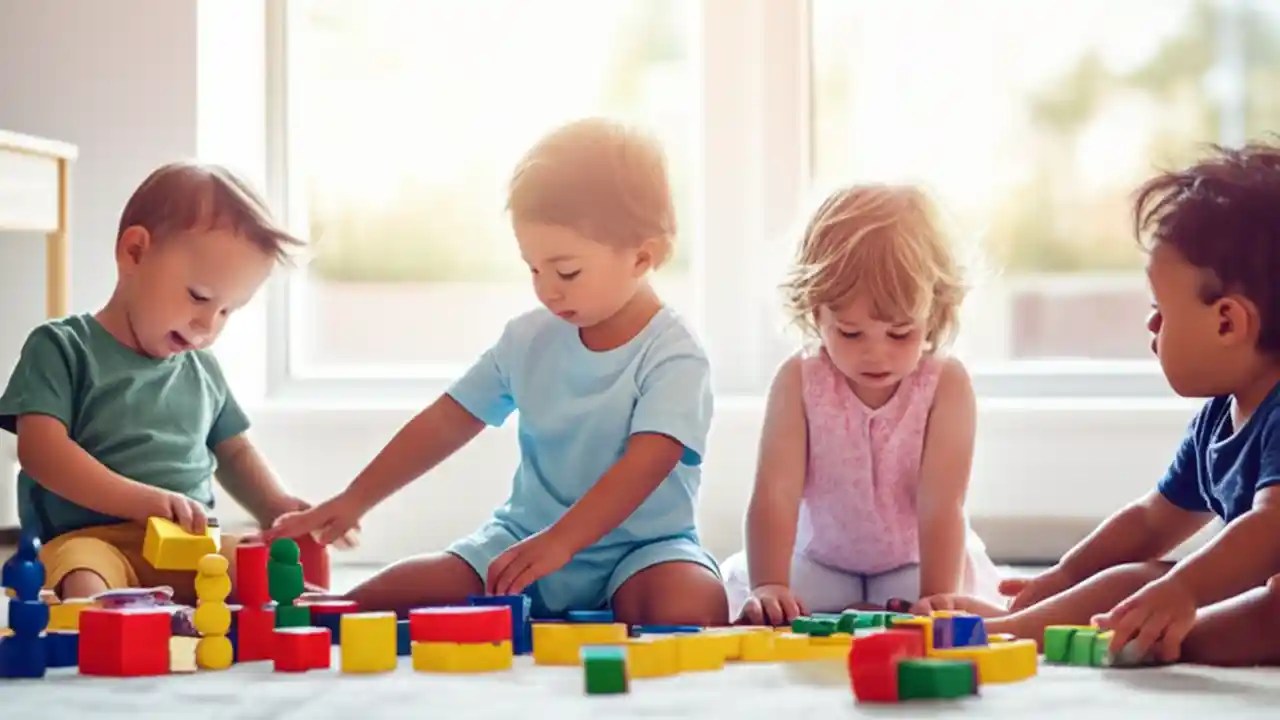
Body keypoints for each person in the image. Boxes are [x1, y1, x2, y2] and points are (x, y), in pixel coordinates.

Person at [264, 118, 727, 625]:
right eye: (533, 268)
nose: (547, 289)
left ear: (643, 256)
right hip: (525, 542)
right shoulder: (529, 339)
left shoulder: (674, 354)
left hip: (643, 551)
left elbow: (647, 464)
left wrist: (564, 542)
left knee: (692, 603)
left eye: (567, 271)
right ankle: (334, 609)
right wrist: (355, 498)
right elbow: (448, 420)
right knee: (407, 591)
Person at [915, 143, 1280, 666]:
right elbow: (1152, 523)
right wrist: (1064, 577)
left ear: (1228, 322)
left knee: (1235, 604)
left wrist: (1183, 592)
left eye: (1161, 311)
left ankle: (1154, 640)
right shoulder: (1219, 419)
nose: (1151, 327)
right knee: (1138, 582)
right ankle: (1018, 627)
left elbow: (1270, 530)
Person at [0, 161, 316, 604]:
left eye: (228, 311)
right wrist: (140, 501)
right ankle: (113, 620)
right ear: (135, 253)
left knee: (266, 571)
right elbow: (40, 452)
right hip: (92, 541)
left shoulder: (202, 370)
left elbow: (236, 451)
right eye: (200, 297)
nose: (208, 323)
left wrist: (275, 505)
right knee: (82, 574)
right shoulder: (63, 347)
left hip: (193, 548)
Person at [724, 184, 1001, 626]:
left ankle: (887, 606)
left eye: (900, 334)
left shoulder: (945, 384)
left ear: (933, 313)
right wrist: (769, 585)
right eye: (851, 333)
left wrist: (937, 597)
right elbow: (775, 494)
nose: (876, 354)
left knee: (952, 602)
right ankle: (840, 604)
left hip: (914, 564)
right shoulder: (800, 380)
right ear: (817, 314)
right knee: (762, 601)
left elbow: (942, 503)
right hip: (821, 561)